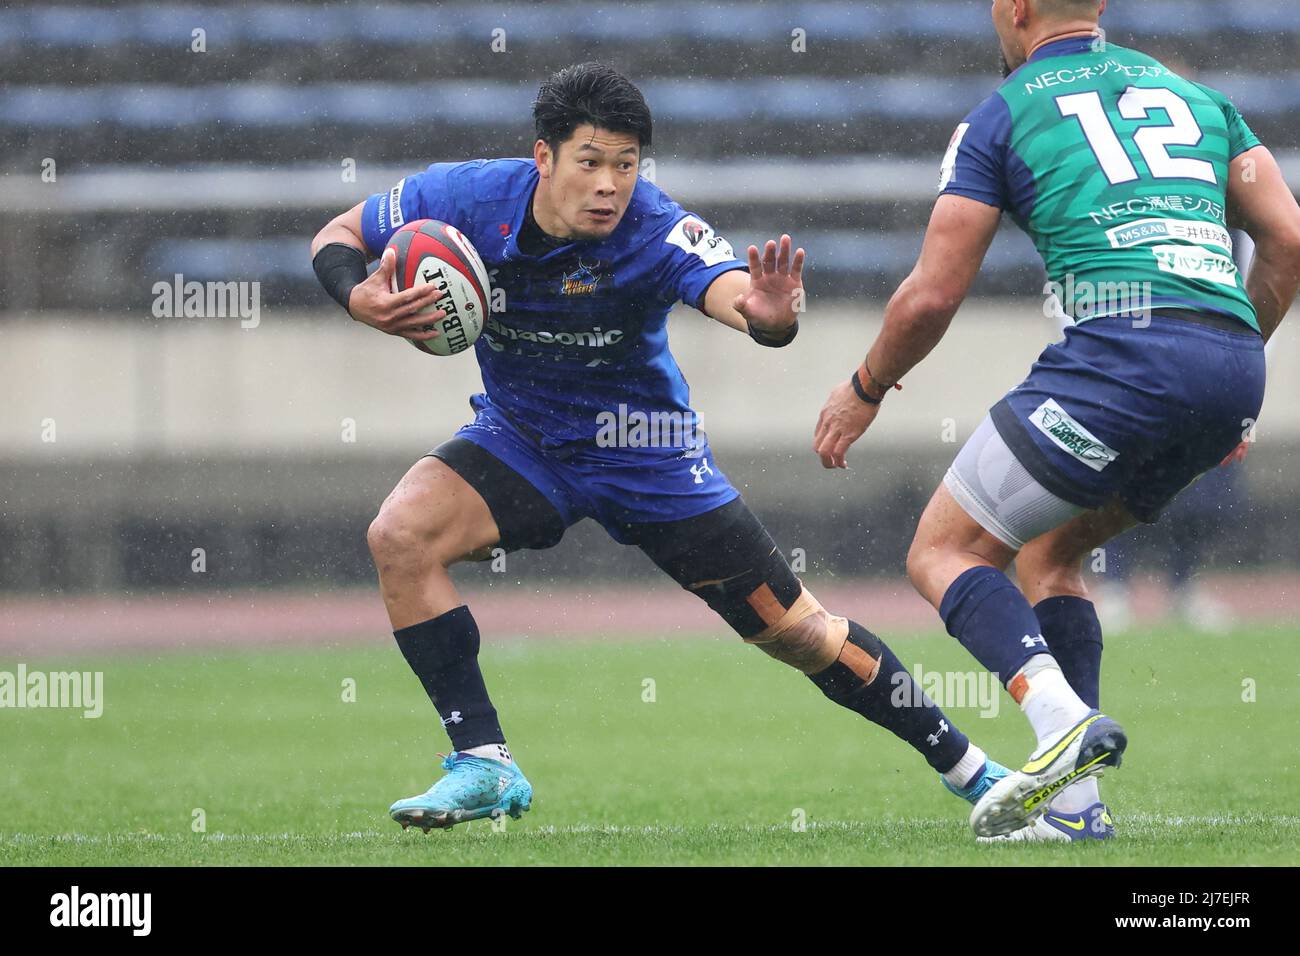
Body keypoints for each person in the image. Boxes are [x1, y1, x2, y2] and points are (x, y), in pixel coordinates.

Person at [311, 62, 1007, 831]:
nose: (610, 184)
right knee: (399, 535)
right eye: (591, 162)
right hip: (523, 439)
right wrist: (359, 297)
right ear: (543, 158)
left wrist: (771, 314)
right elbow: (337, 234)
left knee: (800, 634)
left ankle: (974, 772)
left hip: (651, 456)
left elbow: (739, 298)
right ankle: (482, 762)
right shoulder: (468, 197)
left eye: (626, 164)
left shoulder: (654, 225)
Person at [814, 0, 1300, 840]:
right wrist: (1222, 368)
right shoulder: (1199, 98)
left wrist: (864, 386)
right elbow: (1288, 240)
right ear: (1100, 6)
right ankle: (1077, 807)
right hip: (1231, 366)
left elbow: (932, 294)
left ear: (1014, 8)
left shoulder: (1002, 112)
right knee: (1052, 550)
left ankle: (1058, 724)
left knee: (944, 548)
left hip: (1120, 361)